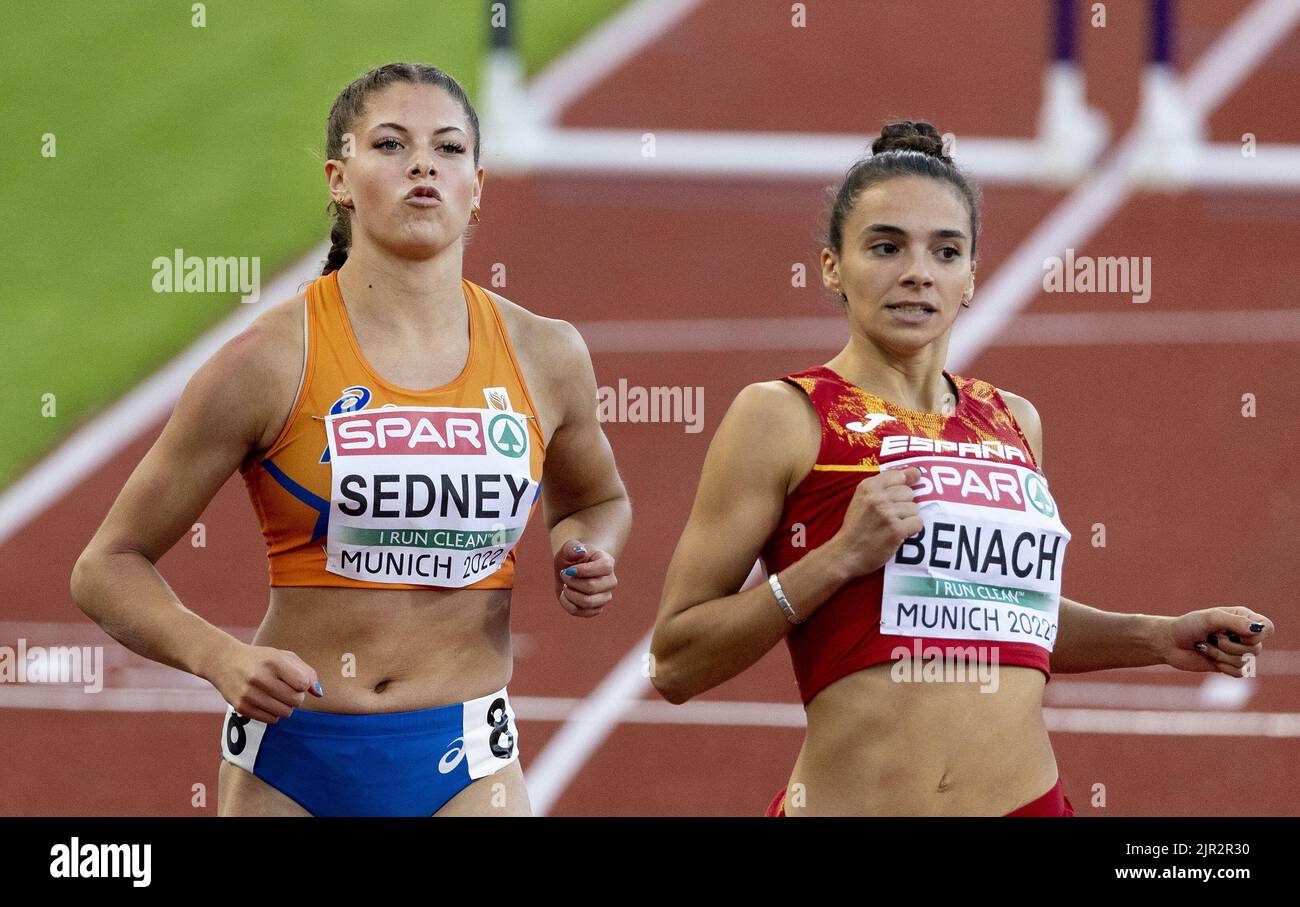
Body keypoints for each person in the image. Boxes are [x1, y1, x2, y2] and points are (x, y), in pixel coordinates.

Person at [649, 120, 1274, 817]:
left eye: (945, 251)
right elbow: (674, 662)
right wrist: (838, 558)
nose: (918, 272)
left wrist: (1154, 636)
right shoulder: (782, 416)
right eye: (886, 247)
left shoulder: (1014, 420)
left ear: (972, 275)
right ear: (833, 267)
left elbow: (1003, 619)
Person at [71, 63, 631, 816]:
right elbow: (106, 565)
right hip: (293, 763)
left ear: (477, 187)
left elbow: (597, 498)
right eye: (392, 145)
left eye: (449, 148)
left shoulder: (547, 354)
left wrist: (585, 548)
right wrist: (219, 656)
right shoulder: (268, 361)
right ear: (340, 178)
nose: (424, 164)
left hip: (467, 760)